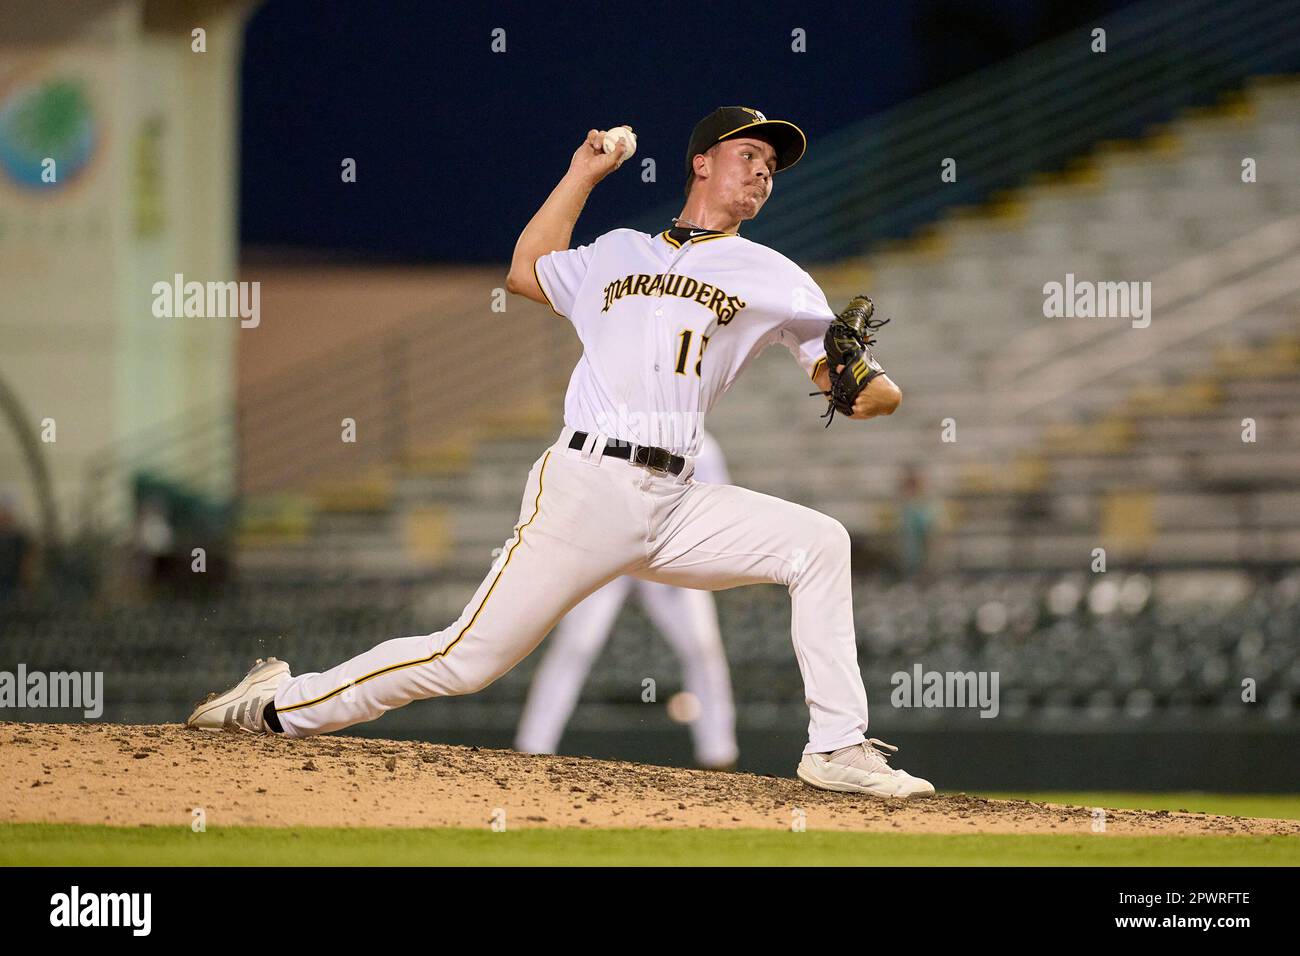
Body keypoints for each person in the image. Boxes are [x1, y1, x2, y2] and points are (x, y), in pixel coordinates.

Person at [189, 107, 934, 800]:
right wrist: (585, 172)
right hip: (588, 483)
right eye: (749, 154)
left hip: (680, 501)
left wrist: (855, 375)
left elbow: (872, 394)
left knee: (819, 543)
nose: (763, 171)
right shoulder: (615, 253)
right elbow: (524, 270)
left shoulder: (775, 276)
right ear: (701, 163)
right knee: (465, 659)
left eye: (773, 163)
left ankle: (836, 747)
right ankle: (274, 705)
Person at [515, 431, 738, 769]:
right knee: (577, 645)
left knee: (702, 647)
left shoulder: (702, 446)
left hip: (667, 557)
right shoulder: (609, 437)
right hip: (607, 553)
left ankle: (719, 755)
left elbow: (716, 511)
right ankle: (532, 747)